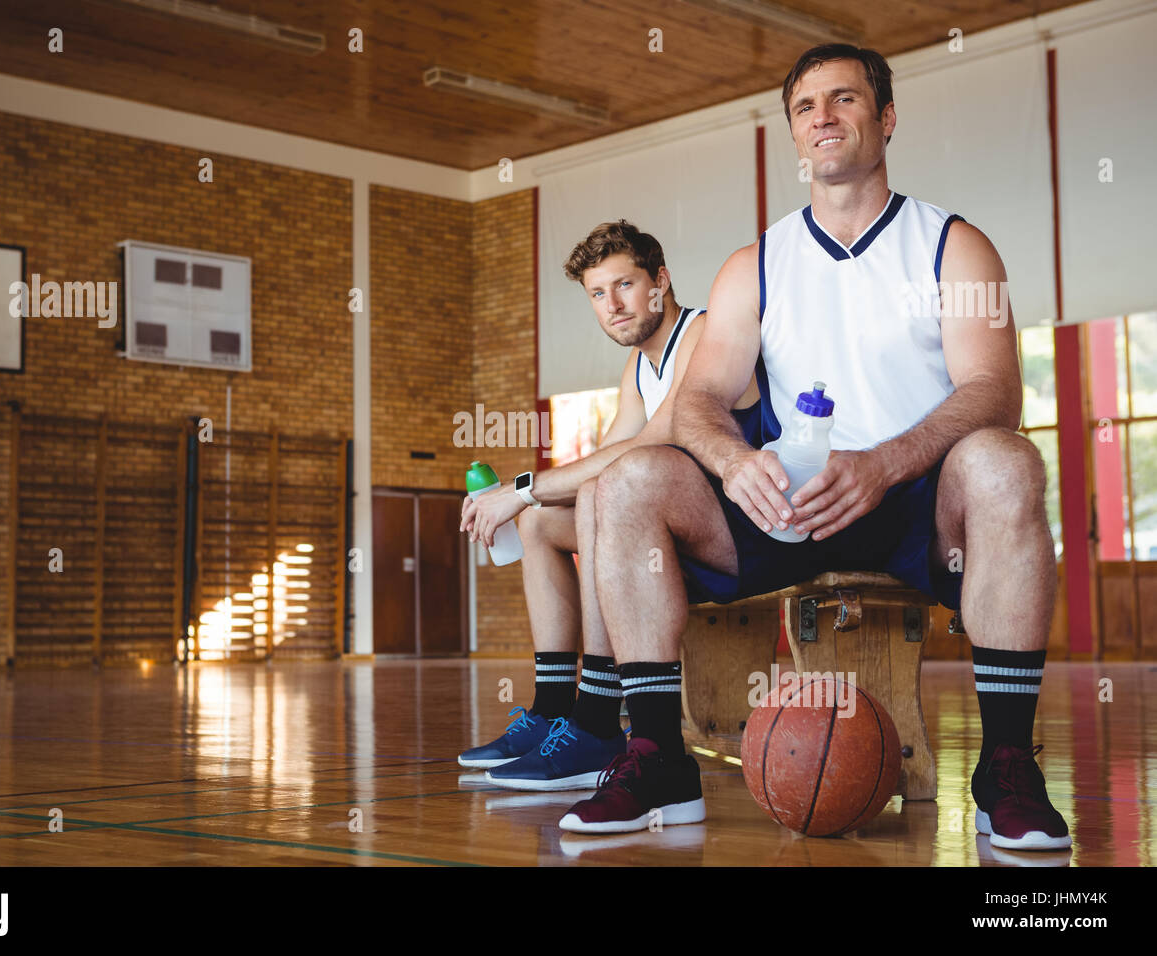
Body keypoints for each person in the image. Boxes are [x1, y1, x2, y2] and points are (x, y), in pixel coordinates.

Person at [561, 44, 1071, 852]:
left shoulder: (953, 245)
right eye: (806, 106)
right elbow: (696, 399)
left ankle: (1006, 764)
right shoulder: (754, 264)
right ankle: (657, 756)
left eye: (845, 99)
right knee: (627, 482)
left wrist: (885, 464)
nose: (824, 117)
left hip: (917, 501)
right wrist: (733, 462)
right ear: (795, 135)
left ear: (886, 117)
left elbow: (993, 391)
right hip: (786, 500)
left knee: (1007, 458)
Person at [457, 220, 764, 791]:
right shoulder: (638, 366)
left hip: (739, 527)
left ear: (660, 281)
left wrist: (522, 484)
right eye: (598, 294)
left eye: (624, 285)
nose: (613, 305)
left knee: (597, 490)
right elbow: (607, 455)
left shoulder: (702, 335)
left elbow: (650, 446)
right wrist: (517, 500)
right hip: (662, 525)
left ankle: (597, 715)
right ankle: (554, 709)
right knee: (542, 522)